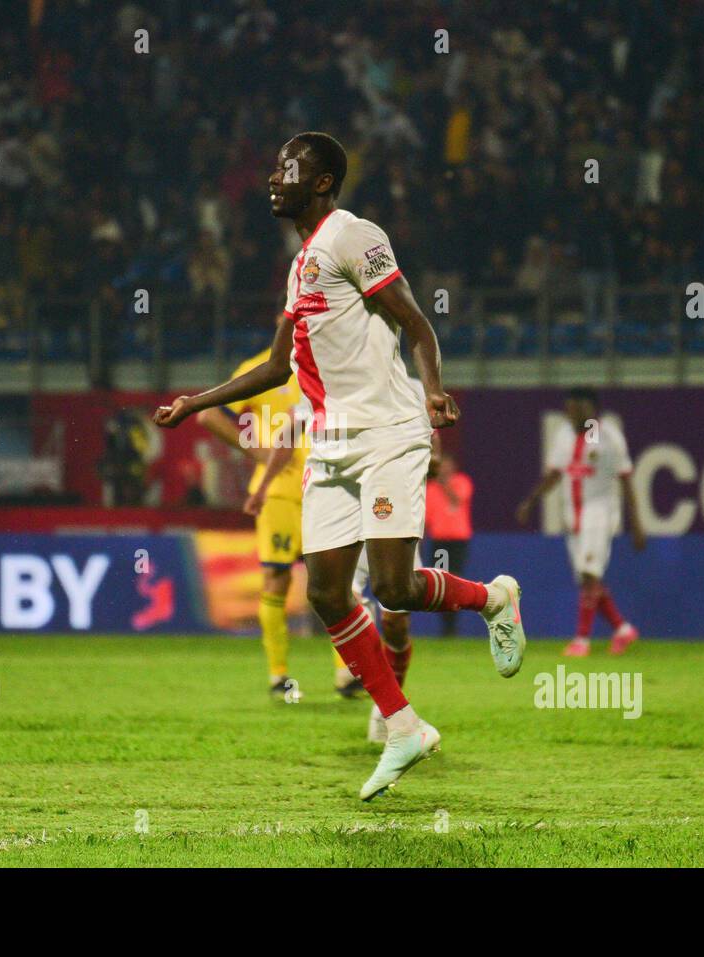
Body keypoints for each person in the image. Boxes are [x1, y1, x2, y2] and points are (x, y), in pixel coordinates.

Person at [154, 132, 525, 801]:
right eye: (273, 165)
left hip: (387, 432)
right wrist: (193, 403)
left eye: (287, 167)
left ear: (322, 181)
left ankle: (494, 597)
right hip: (331, 444)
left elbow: (417, 324)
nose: (273, 177)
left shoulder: (353, 235)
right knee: (325, 591)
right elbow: (274, 368)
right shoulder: (301, 266)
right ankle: (404, 725)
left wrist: (434, 387)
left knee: (394, 586)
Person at [198, 347, 361, 700]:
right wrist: (258, 453)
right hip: (281, 490)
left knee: (339, 581)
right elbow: (210, 416)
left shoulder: (326, 360)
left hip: (326, 485)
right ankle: (279, 677)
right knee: (278, 578)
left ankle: (348, 674)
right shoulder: (257, 369)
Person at [516, 387, 644, 657]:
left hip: (600, 512)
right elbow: (554, 474)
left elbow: (626, 479)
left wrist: (637, 524)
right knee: (588, 579)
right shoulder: (564, 435)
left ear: (592, 410)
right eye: (569, 408)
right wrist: (531, 501)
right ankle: (622, 629)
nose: (571, 414)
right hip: (572, 515)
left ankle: (581, 641)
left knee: (589, 574)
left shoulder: (608, 437)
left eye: (577, 409)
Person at [425, 453, 474, 637]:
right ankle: (446, 627)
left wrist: (444, 483)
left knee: (455, 579)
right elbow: (426, 519)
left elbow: (457, 500)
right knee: (441, 583)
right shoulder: (430, 489)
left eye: (447, 466)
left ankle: (452, 625)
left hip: (458, 541)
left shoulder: (462, 482)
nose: (444, 470)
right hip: (440, 542)